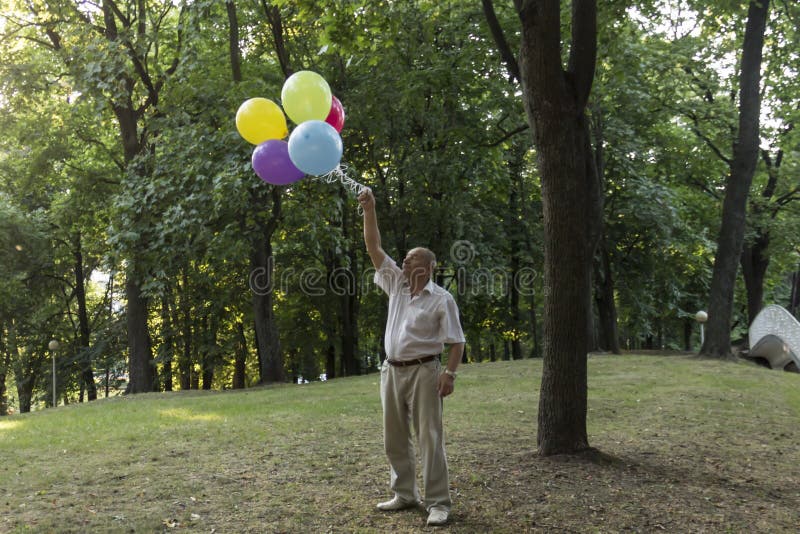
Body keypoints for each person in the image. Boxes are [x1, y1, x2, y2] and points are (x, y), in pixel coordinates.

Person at [358, 187, 466, 527]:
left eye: (412, 258)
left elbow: (456, 341)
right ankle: (405, 493)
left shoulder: (441, 299)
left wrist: (449, 375)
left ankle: (438, 502)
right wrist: (369, 209)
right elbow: (373, 247)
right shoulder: (396, 284)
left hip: (425, 372)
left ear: (430, 266)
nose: (404, 261)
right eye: (404, 258)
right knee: (394, 437)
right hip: (391, 372)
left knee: (429, 437)